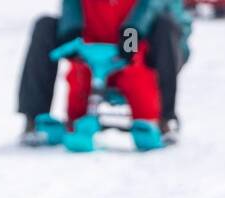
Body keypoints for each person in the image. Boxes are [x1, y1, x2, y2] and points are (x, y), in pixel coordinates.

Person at [19, 0, 192, 144]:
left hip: (135, 50)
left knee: (165, 26)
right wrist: (70, 31)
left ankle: (165, 119)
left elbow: (153, 5)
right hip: (90, 48)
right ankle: (34, 120)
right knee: (44, 26)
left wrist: (132, 33)